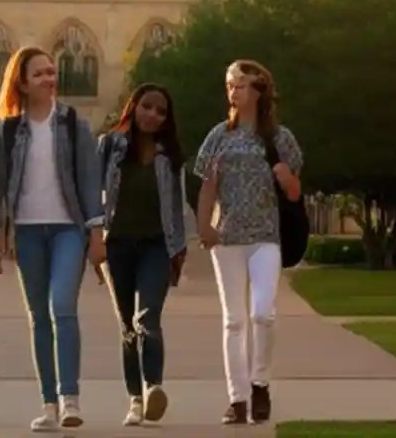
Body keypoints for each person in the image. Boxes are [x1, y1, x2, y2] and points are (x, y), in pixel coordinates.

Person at [0, 46, 105, 431]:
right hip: (26, 230)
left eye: (52, 72)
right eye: (39, 74)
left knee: (62, 308)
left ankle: (71, 399)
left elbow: (90, 180)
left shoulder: (74, 124)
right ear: (21, 81)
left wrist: (97, 231)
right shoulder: (6, 130)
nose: (49, 79)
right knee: (39, 317)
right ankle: (49, 404)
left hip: (67, 228)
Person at [193, 59, 303, 425]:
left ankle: (260, 384)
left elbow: (294, 193)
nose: (233, 91)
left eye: (240, 85)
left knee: (262, 313)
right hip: (226, 238)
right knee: (234, 321)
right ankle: (237, 399)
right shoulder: (218, 137)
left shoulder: (279, 138)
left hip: (265, 238)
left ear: (258, 91)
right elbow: (207, 186)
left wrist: (287, 177)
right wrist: (203, 226)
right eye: (229, 85)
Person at [97, 83, 189, 426]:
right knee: (126, 325)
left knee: (147, 317)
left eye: (161, 111)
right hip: (116, 243)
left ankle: (153, 388)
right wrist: (92, 240)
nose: (153, 115)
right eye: (147, 107)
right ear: (133, 107)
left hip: (155, 245)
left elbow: (178, 206)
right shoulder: (109, 146)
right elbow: (94, 192)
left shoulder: (169, 156)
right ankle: (134, 399)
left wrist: (179, 249)